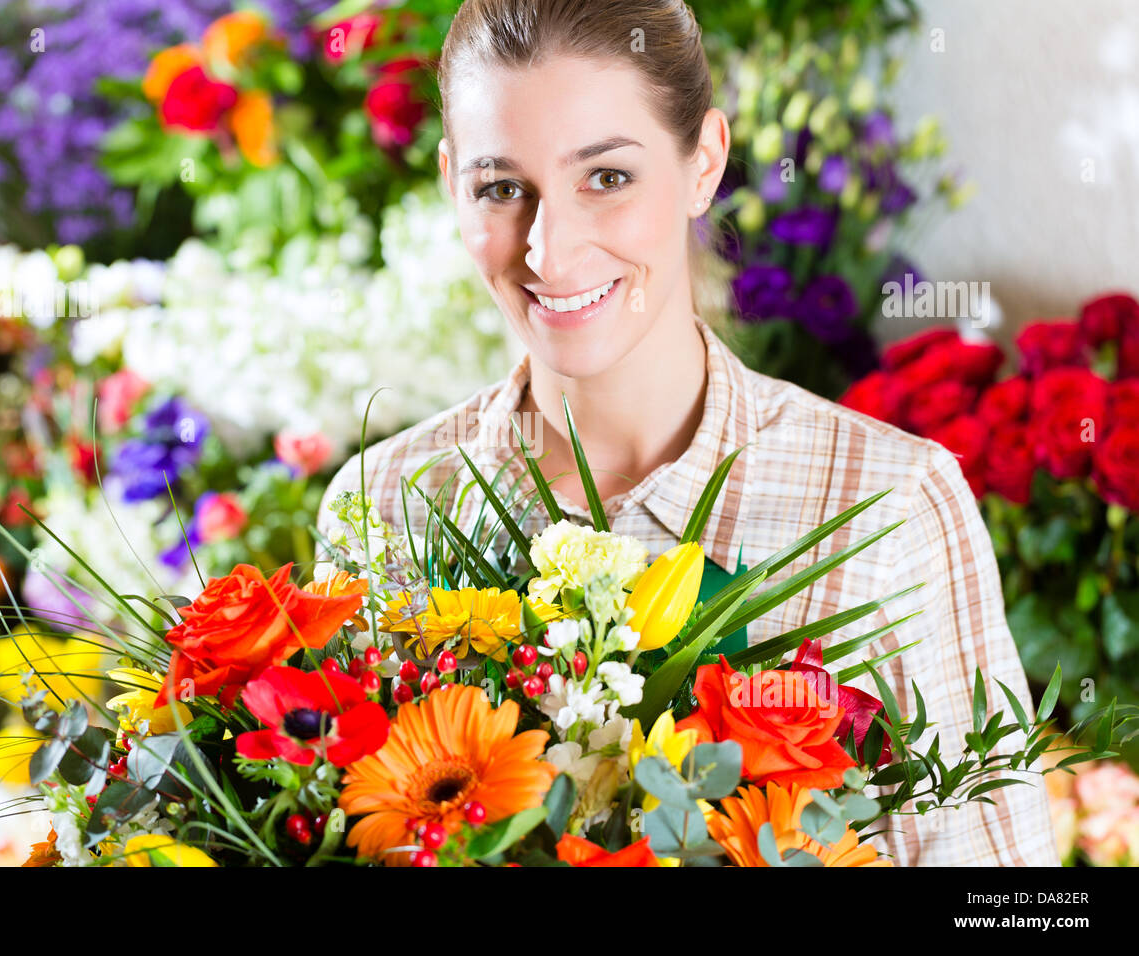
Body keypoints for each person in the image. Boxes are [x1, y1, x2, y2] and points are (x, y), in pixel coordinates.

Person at [315, 0, 1058, 866]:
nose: (549, 253)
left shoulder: (887, 507)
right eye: (501, 189)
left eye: (605, 177)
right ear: (453, 184)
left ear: (703, 161)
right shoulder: (386, 507)